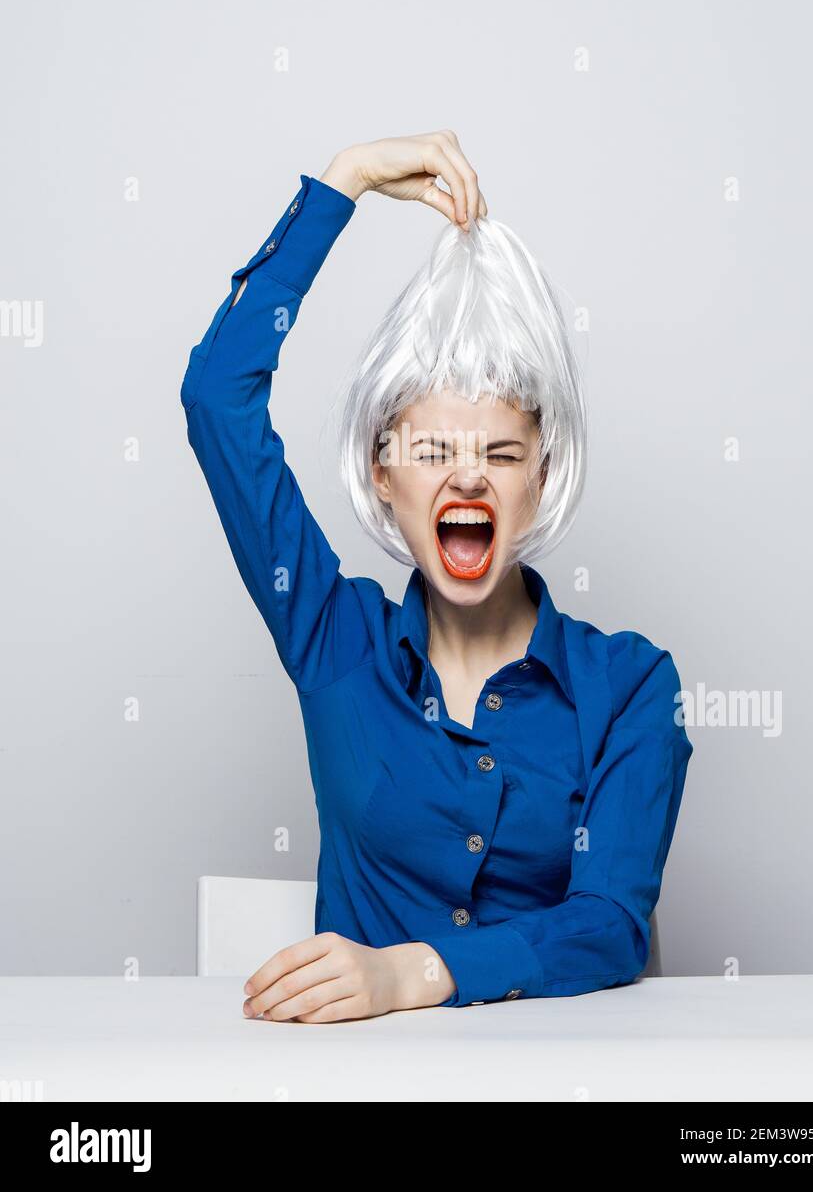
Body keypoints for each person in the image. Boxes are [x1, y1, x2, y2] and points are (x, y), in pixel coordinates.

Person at [180, 130, 694, 1022]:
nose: (467, 477)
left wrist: (407, 974)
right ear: (384, 475)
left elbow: (611, 923)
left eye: (500, 452)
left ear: (541, 477)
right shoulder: (335, 643)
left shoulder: (632, 686)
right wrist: (344, 182)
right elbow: (216, 398)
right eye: (430, 451)